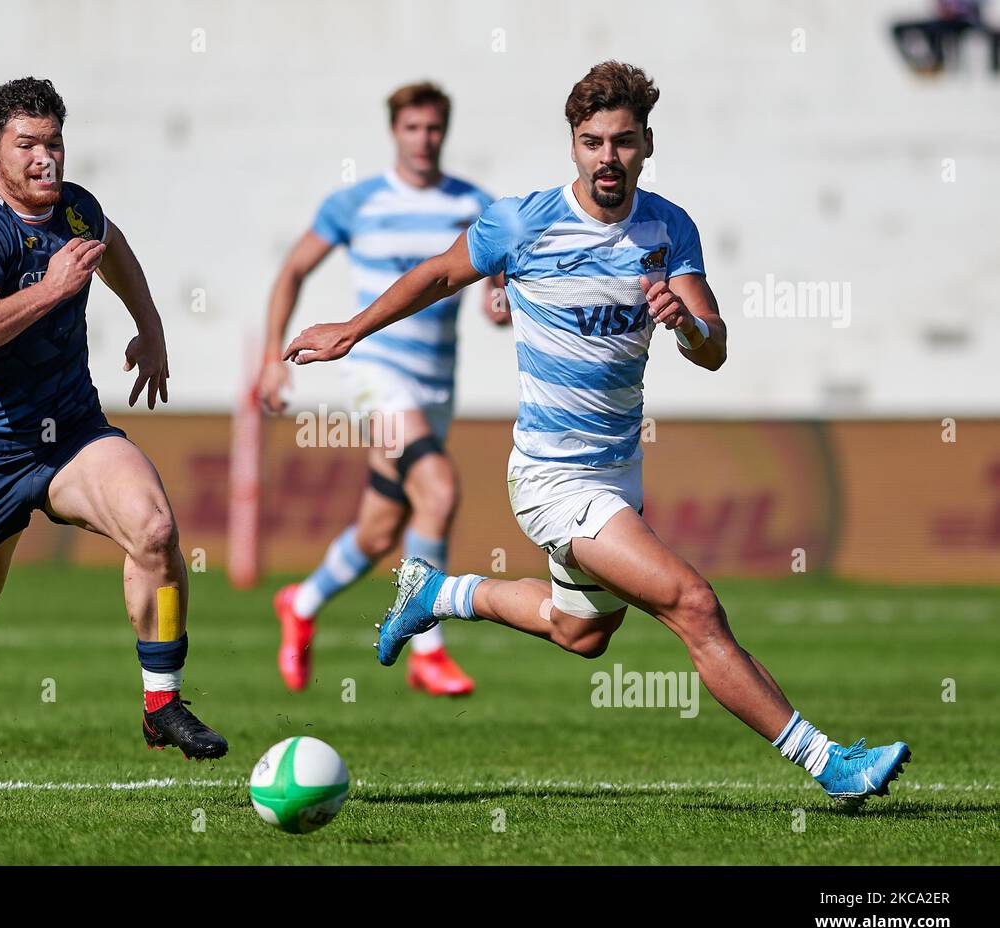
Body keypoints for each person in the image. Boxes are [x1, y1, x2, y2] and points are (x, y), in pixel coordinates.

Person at [283, 62, 910, 809]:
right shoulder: (521, 222)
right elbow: (439, 275)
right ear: (573, 147)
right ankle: (829, 762)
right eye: (591, 142)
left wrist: (688, 326)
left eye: (622, 141)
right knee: (694, 605)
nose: (606, 156)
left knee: (578, 633)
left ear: (647, 143)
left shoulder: (669, 228)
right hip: (553, 479)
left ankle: (439, 593)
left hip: (618, 475)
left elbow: (715, 348)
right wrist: (351, 331)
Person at [0, 77, 227, 796]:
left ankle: (161, 701)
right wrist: (55, 290)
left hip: (73, 437)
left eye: (53, 143)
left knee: (153, 529)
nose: (44, 159)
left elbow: (109, 241)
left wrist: (149, 325)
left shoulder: (75, 207)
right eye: (26, 145)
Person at [259, 81, 504, 696]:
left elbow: (493, 278)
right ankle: (429, 646)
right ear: (394, 131)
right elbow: (293, 269)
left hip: (436, 386)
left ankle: (301, 600)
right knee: (440, 489)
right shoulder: (357, 203)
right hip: (376, 375)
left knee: (377, 531)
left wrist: (498, 300)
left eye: (433, 129)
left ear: (444, 132)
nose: (424, 140)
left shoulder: (474, 202)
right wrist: (271, 357)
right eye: (412, 128)